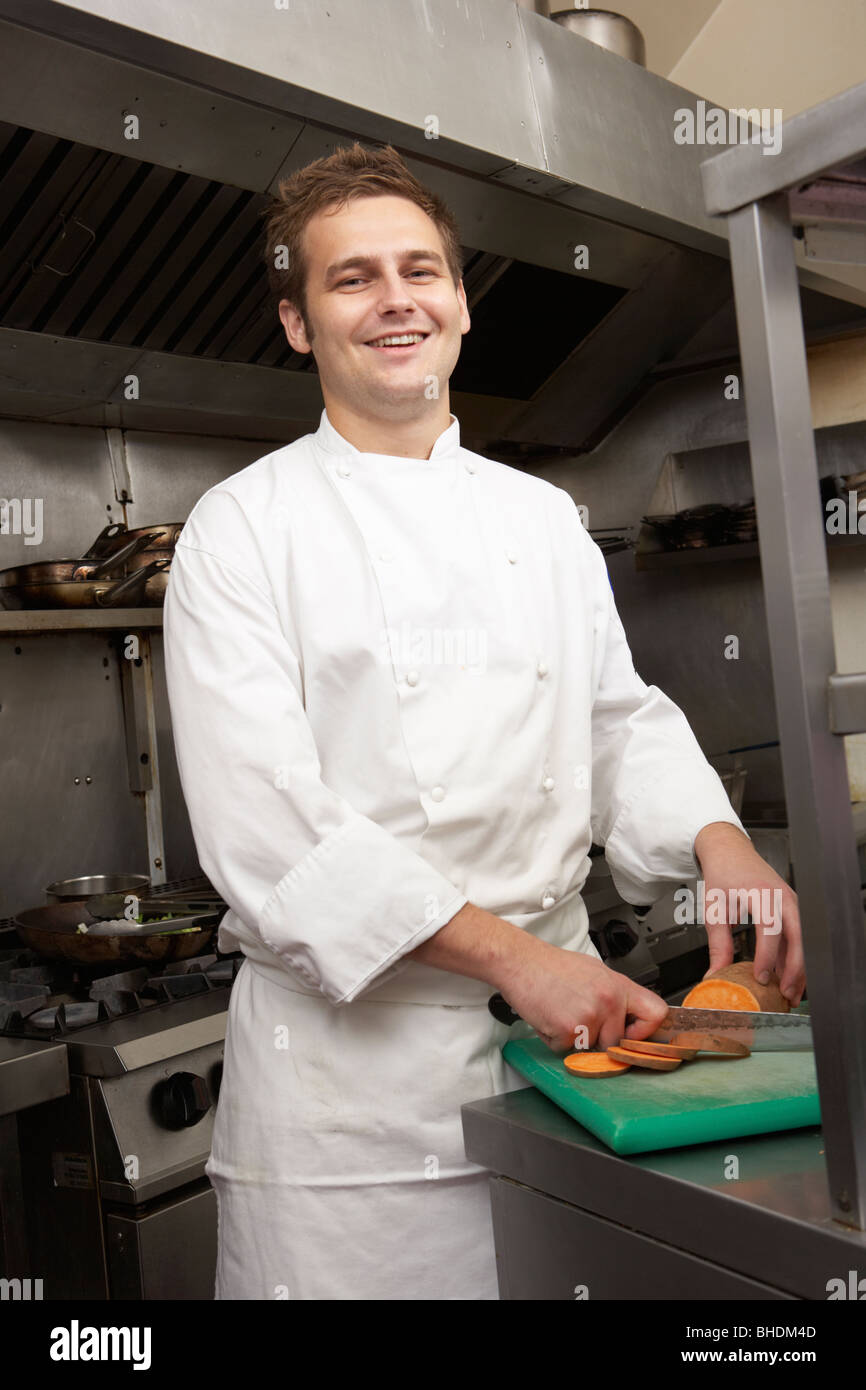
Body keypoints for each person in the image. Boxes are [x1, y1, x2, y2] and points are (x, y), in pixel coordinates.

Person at [163, 142, 805, 1301]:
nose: (394, 298)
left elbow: (614, 718)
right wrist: (519, 959)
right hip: (350, 1115)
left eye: (420, 270)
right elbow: (269, 829)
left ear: (459, 303)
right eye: (350, 278)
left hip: (569, 1065)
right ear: (299, 324)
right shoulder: (240, 530)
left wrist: (720, 843)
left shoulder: (542, 517)